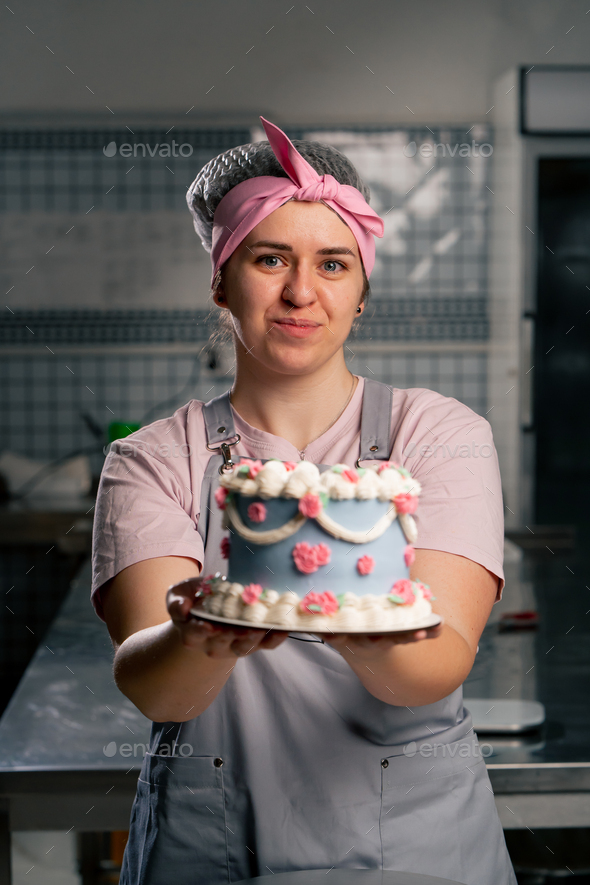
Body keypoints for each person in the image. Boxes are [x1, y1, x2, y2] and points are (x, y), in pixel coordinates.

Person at [91, 117, 517, 885]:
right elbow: (157, 688)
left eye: (333, 263)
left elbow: (435, 665)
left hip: (417, 852)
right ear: (221, 279)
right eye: (270, 258)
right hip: (208, 847)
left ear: (362, 292)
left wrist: (335, 601)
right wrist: (203, 631)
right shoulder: (152, 458)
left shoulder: (443, 434)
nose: (300, 291)